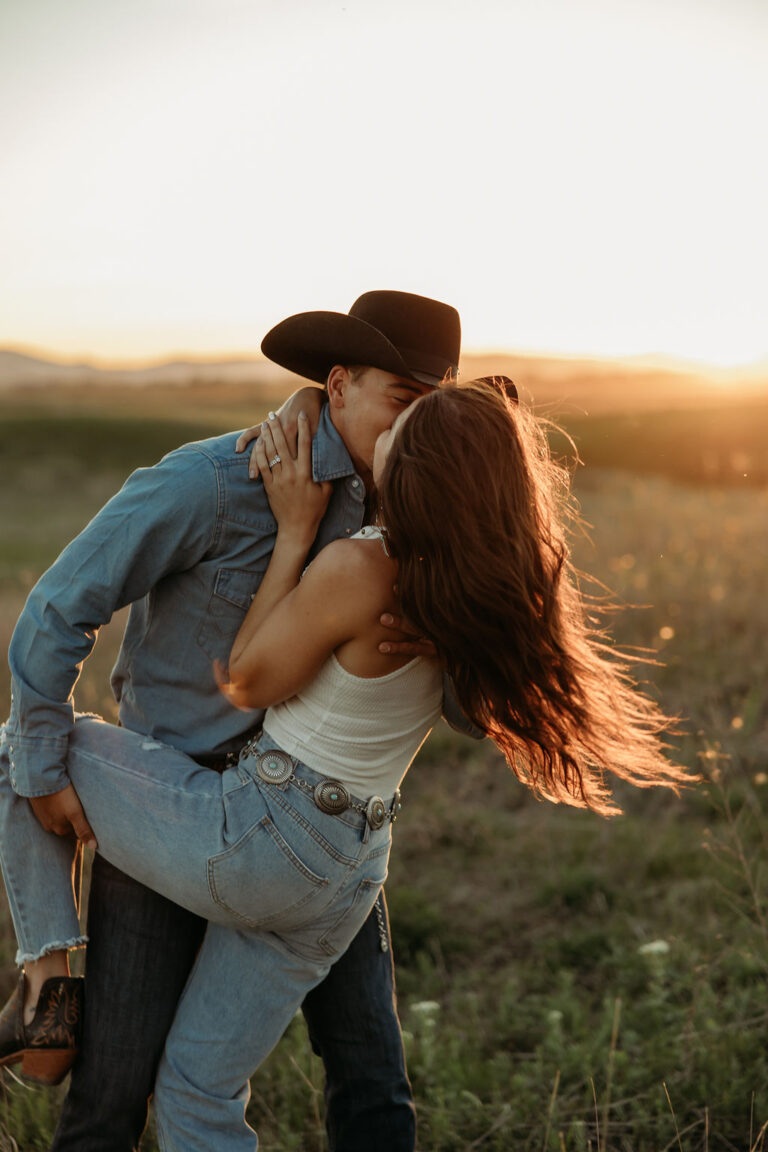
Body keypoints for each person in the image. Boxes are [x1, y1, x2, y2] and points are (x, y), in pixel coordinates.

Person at [0, 377, 688, 1152]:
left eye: (409, 423)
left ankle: (44, 974)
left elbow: (246, 679)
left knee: (19, 744)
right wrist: (301, 413)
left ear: (422, 463)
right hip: (349, 872)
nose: (392, 431)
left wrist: (296, 533)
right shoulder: (473, 577)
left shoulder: (364, 564)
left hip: (260, 836)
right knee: (197, 1090)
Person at [0, 289, 463, 1152]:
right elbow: (60, 607)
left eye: (434, 408)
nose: (417, 430)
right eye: (403, 401)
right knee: (113, 1086)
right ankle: (46, 982)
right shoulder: (213, 482)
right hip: (174, 802)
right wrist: (45, 766)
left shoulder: (419, 517)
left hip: (313, 825)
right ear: (337, 384)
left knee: (369, 1066)